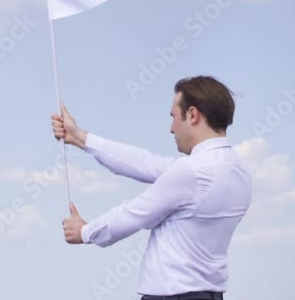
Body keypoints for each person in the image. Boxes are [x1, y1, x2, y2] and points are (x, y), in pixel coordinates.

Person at [50, 75, 252, 300]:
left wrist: (85, 232)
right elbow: (147, 163)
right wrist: (79, 137)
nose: (171, 129)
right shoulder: (238, 171)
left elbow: (134, 214)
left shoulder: (191, 172)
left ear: (193, 115)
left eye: (174, 117)